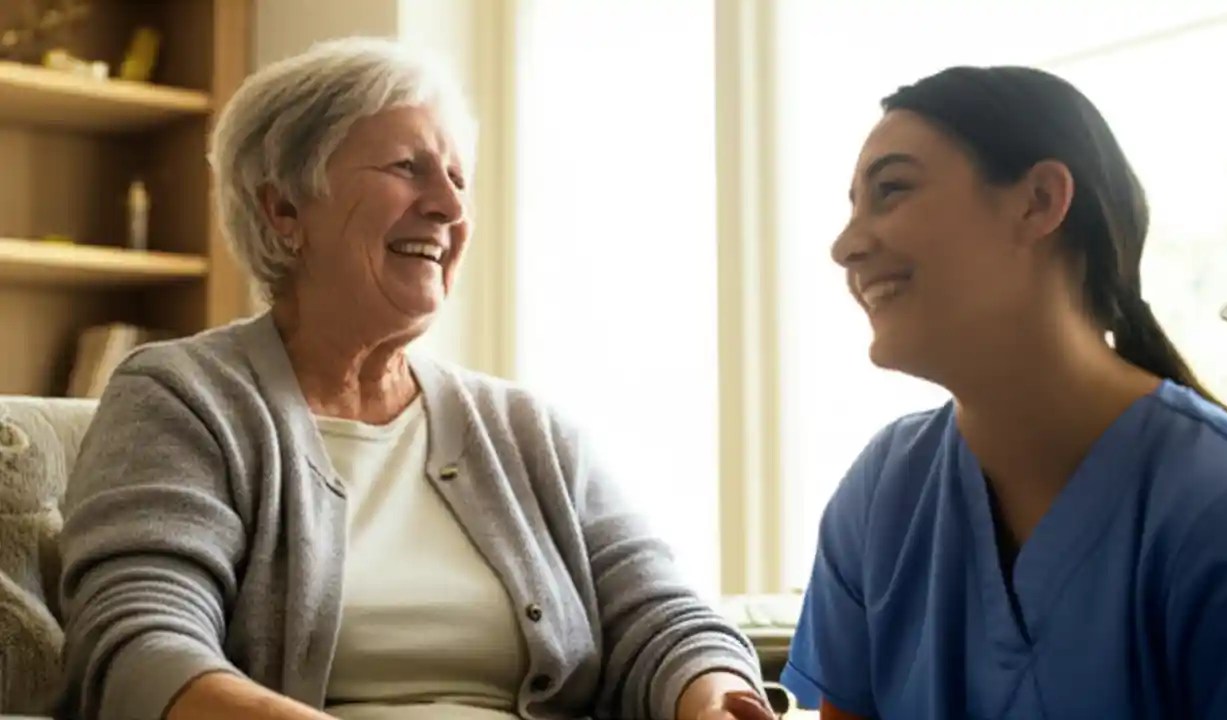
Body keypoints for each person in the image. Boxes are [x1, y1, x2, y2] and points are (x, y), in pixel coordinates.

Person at [57, 37, 774, 720]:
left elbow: (662, 616)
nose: (451, 208)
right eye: (408, 168)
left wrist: (713, 696)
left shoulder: (526, 431)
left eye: (458, 179)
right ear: (284, 209)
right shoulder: (184, 398)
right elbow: (141, 650)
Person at [781, 65, 1227, 720]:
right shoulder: (883, 496)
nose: (846, 246)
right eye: (853, 208)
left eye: (891, 190)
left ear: (1039, 200)